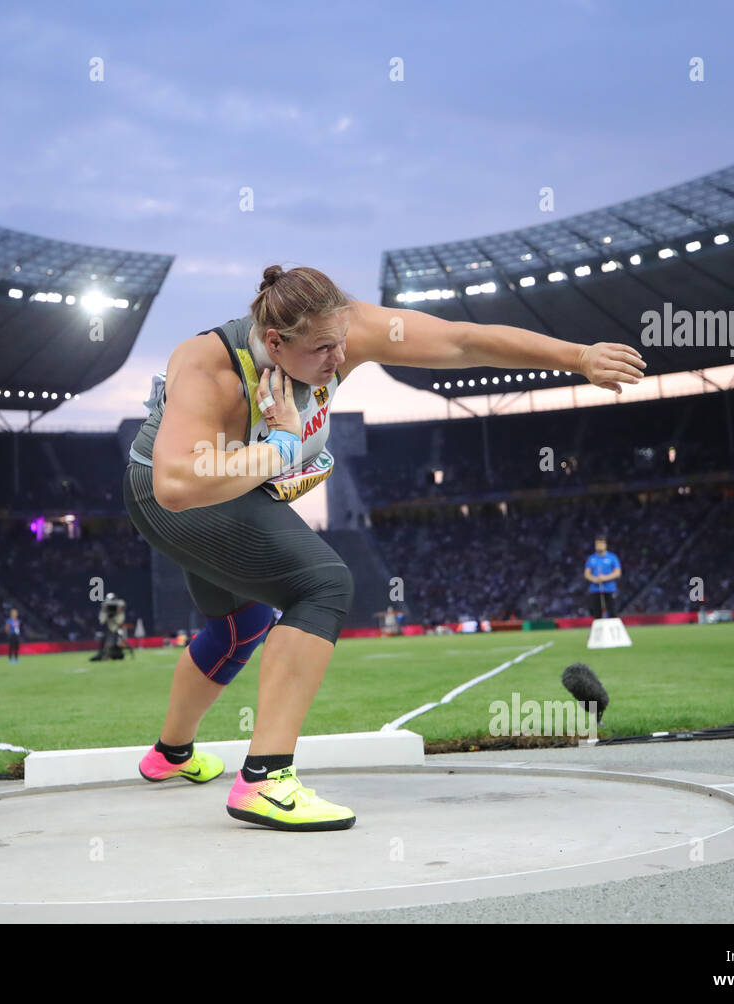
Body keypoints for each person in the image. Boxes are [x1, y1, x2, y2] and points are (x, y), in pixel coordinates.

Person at [124, 264, 645, 831]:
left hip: (230, 488)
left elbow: (461, 340)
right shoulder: (211, 367)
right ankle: (265, 782)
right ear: (275, 342)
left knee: (240, 624)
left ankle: (170, 756)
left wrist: (577, 357)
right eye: (323, 348)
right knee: (322, 584)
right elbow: (176, 485)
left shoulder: (344, 330)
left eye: (342, 341)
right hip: (172, 494)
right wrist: (279, 447)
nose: (339, 357)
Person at [584, 535, 622, 618]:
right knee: (597, 614)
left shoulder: (612, 557)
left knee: (612, 612)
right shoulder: (591, 558)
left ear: (605, 545)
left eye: (601, 544)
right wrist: (594, 579)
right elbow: (587, 573)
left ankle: (613, 630)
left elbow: (617, 573)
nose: (599, 546)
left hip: (609, 589)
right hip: (595, 590)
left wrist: (604, 578)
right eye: (597, 544)